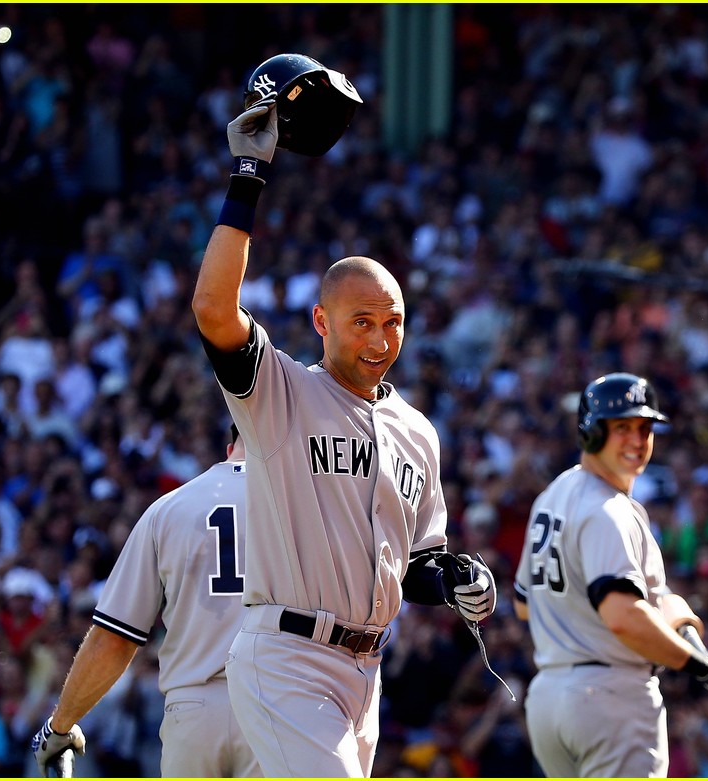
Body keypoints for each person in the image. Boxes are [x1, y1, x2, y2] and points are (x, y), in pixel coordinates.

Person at [191, 73, 496, 777]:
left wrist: (458, 579)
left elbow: (417, 565)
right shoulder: (282, 392)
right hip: (287, 657)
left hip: (366, 674)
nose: (381, 339)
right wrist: (248, 174)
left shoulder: (419, 431)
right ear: (322, 321)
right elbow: (212, 309)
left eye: (393, 322)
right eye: (362, 322)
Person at [513, 372, 708, 777]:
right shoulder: (609, 509)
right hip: (609, 700)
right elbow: (622, 616)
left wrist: (648, 608)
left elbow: (524, 604)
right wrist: (704, 668)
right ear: (591, 432)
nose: (637, 440)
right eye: (622, 427)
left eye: (644, 428)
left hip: (550, 700)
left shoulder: (553, 494)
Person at [31, 428, 258, 777]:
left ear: (229, 449)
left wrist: (60, 726)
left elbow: (113, 640)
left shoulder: (168, 508)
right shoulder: (312, 505)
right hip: (276, 701)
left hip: (193, 710)